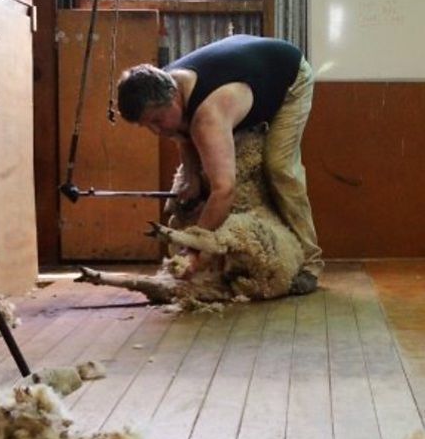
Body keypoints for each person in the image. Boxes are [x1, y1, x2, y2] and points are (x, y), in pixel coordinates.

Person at [116, 34, 322, 293]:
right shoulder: (160, 84)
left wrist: (194, 247)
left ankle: (311, 265)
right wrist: (190, 174)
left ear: (173, 97)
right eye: (146, 126)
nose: (156, 131)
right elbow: (182, 133)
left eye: (157, 120)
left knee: (278, 168)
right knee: (208, 170)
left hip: (289, 75)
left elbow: (224, 190)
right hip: (246, 71)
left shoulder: (208, 118)